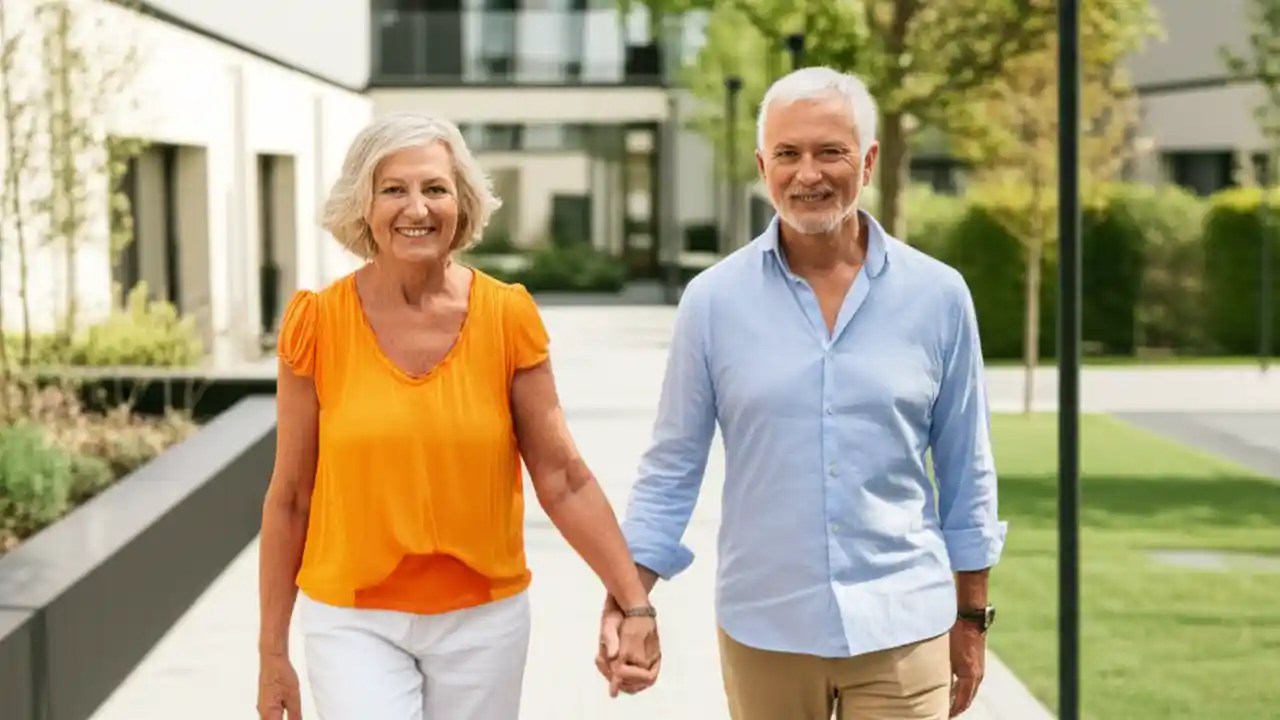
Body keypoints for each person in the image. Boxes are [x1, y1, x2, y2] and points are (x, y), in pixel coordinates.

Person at [596, 67, 1007, 719]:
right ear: (763, 166)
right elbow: (672, 466)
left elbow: (967, 471)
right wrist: (632, 597)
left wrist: (972, 618)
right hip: (766, 630)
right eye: (788, 154)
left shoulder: (939, 296)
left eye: (830, 152)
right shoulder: (713, 302)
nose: (807, 173)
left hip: (903, 626)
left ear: (868, 161)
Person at [256, 112, 660, 720]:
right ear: (363, 205)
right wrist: (271, 652)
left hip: (483, 622)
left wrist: (635, 605)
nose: (415, 208)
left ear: (462, 203)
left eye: (434, 189)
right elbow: (290, 495)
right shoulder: (318, 323)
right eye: (393, 189)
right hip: (352, 618)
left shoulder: (506, 316)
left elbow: (563, 477)